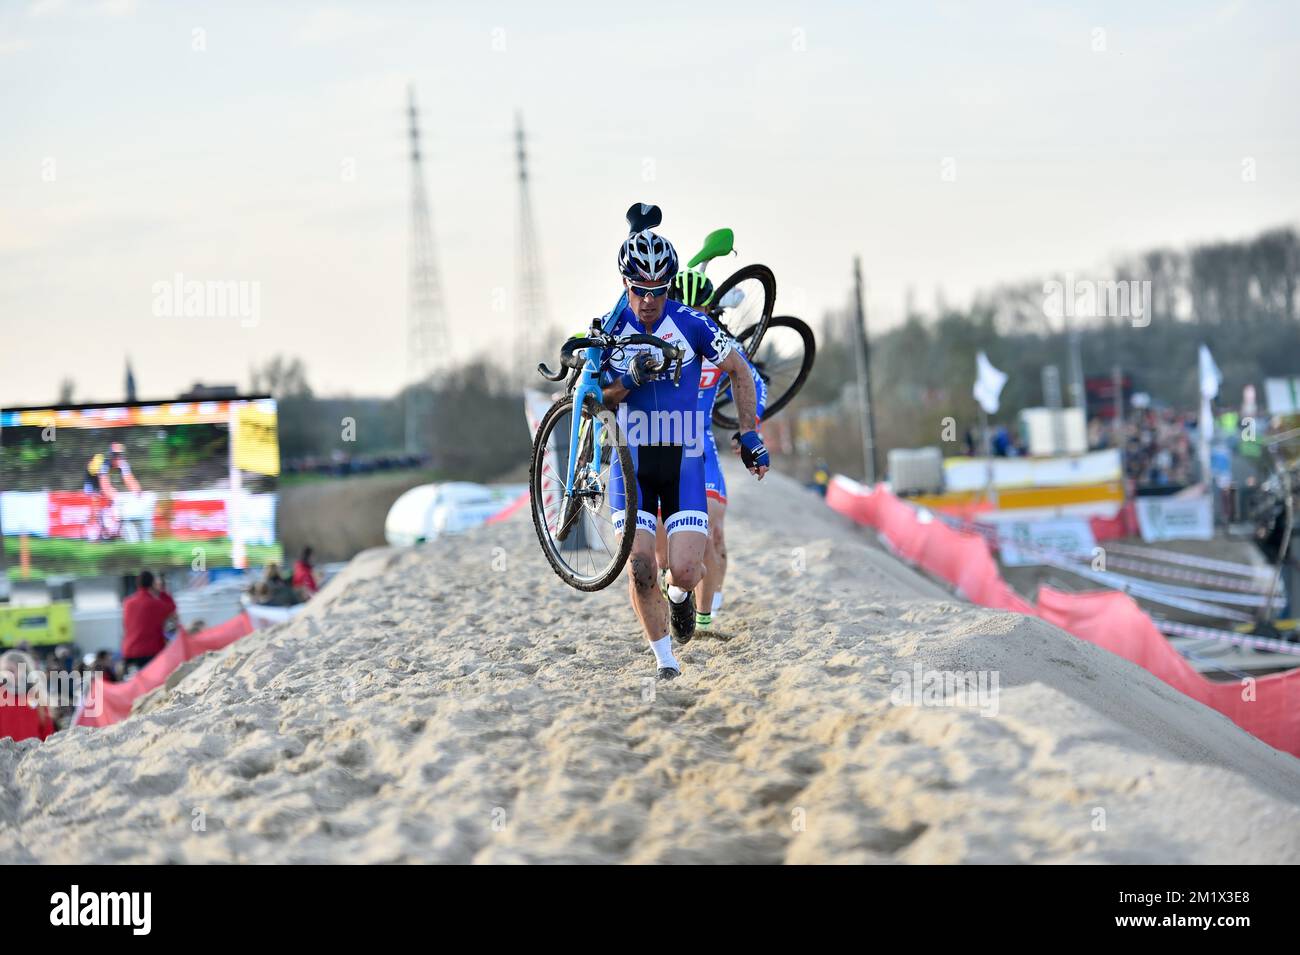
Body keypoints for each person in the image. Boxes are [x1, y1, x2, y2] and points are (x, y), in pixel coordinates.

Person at [601, 227, 768, 681]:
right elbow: (598, 398)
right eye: (640, 290)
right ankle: (666, 663)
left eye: (658, 290)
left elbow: (739, 369)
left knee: (687, 570)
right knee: (639, 567)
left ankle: (682, 599)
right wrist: (628, 381)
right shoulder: (612, 329)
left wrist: (749, 434)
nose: (649, 300)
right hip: (631, 463)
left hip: (684, 460)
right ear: (626, 284)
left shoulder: (693, 324)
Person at [655, 265, 768, 633]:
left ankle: (705, 621)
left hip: (700, 447)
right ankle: (676, 599)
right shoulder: (654, 335)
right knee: (662, 555)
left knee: (713, 533)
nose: (694, 319)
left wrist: (748, 428)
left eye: (702, 313)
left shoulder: (718, 342)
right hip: (656, 445)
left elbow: (754, 383)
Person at [120, 569, 178, 672]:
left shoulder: (128, 603)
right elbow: (172, 608)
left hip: (129, 653)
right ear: (153, 584)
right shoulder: (156, 604)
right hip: (149, 653)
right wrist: (162, 591)